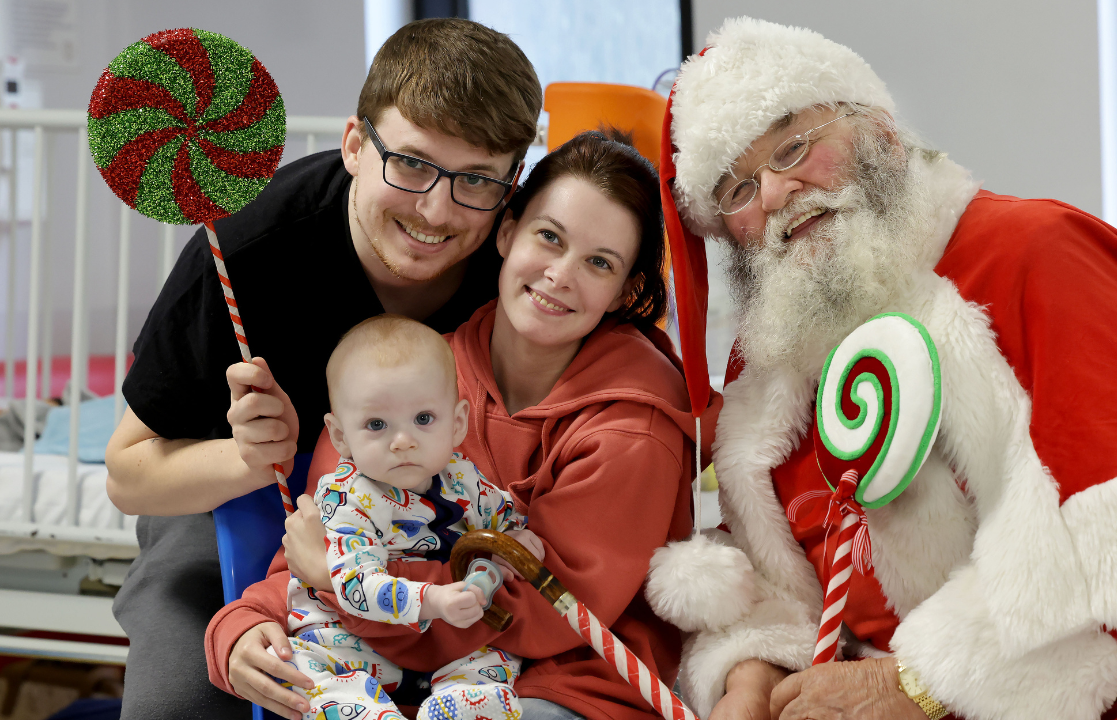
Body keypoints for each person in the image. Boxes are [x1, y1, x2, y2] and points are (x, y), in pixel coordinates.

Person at [644, 17, 1117, 720]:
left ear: (883, 136)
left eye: (794, 147)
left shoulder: (1039, 254)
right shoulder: (765, 372)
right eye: (736, 189)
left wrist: (921, 684)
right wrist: (750, 677)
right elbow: (778, 594)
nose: (773, 192)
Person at [103, 18, 541, 720]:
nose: (437, 209)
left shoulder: (523, 260)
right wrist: (251, 459)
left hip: (445, 521)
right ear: (355, 145)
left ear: (511, 183)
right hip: (238, 503)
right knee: (178, 699)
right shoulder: (245, 251)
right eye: (412, 164)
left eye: (478, 180)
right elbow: (129, 475)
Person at [207, 130, 721, 720]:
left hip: (561, 679)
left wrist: (342, 586)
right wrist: (245, 625)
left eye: (598, 262)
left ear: (625, 291)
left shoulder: (634, 428)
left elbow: (538, 616)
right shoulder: (409, 381)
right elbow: (319, 545)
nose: (559, 275)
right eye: (548, 237)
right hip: (384, 661)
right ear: (507, 232)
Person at [279, 315, 543, 719]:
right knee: (314, 676)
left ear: (456, 424)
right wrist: (433, 599)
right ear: (340, 437)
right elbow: (353, 585)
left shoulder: (461, 476)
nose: (403, 442)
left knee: (493, 659)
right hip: (347, 638)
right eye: (377, 424)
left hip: (444, 639)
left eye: (423, 419)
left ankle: (460, 706)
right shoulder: (346, 499)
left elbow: (499, 517)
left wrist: (514, 540)